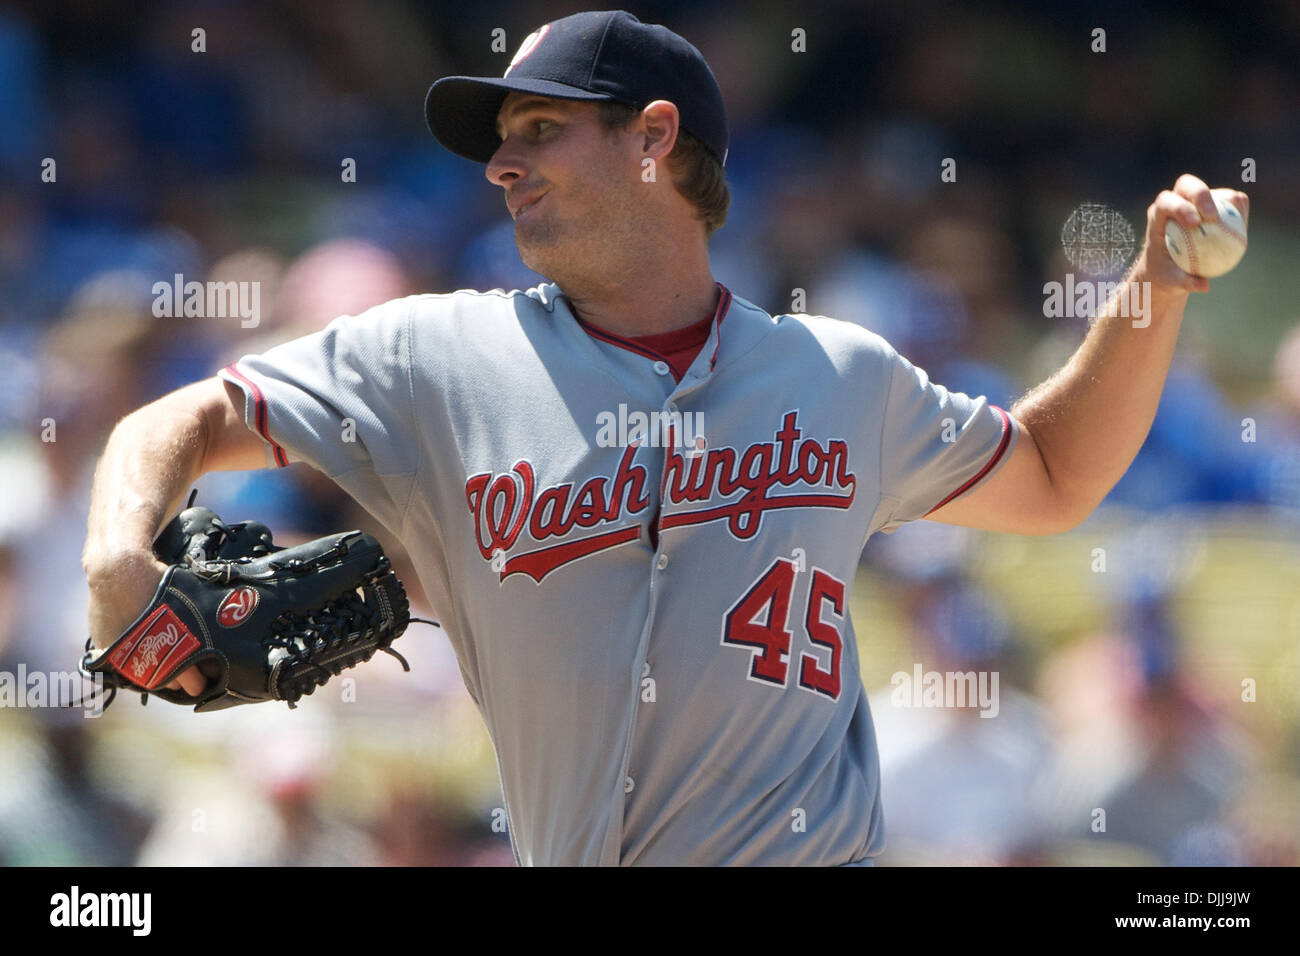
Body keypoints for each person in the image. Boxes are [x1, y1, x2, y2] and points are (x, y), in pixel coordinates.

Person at [81, 10, 1248, 865]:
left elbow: (1051, 476)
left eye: (539, 128)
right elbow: (181, 418)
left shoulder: (837, 375)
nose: (500, 161)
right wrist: (115, 553)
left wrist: (1150, 284)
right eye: (501, 138)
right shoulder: (433, 358)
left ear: (652, 139)